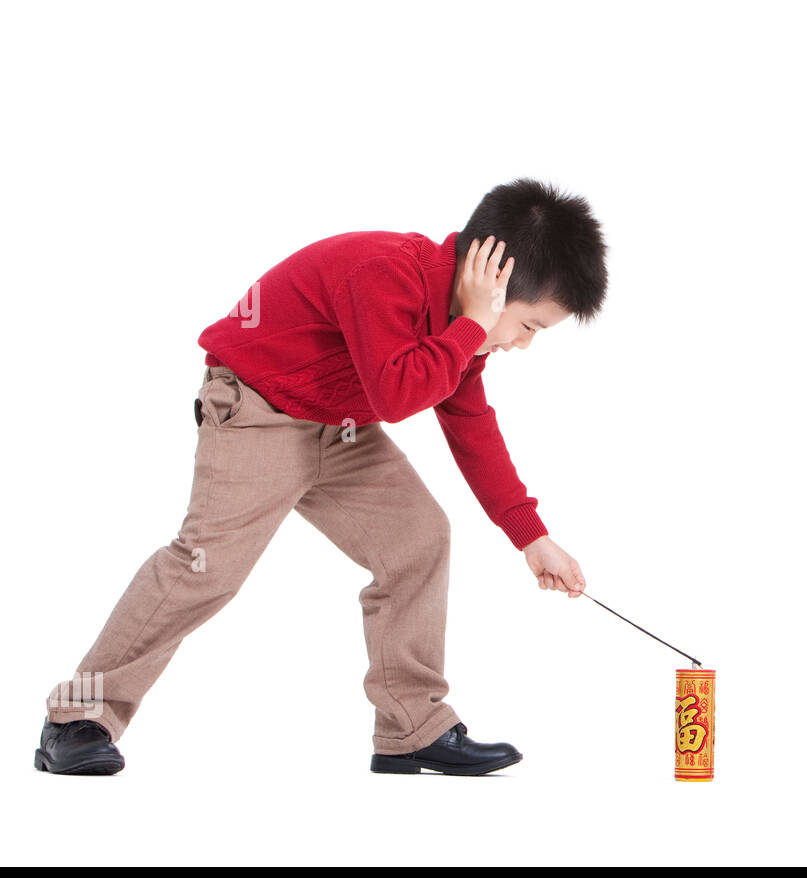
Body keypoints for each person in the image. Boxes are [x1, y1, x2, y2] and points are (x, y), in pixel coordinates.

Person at [37, 178, 608, 777]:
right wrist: (471, 326)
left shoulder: (460, 327)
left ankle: (412, 728)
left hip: (339, 427)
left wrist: (530, 536)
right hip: (257, 410)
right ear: (492, 279)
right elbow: (397, 394)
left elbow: (469, 421)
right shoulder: (385, 273)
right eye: (529, 326)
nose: (521, 344)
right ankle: (77, 716)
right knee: (206, 566)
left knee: (418, 539)